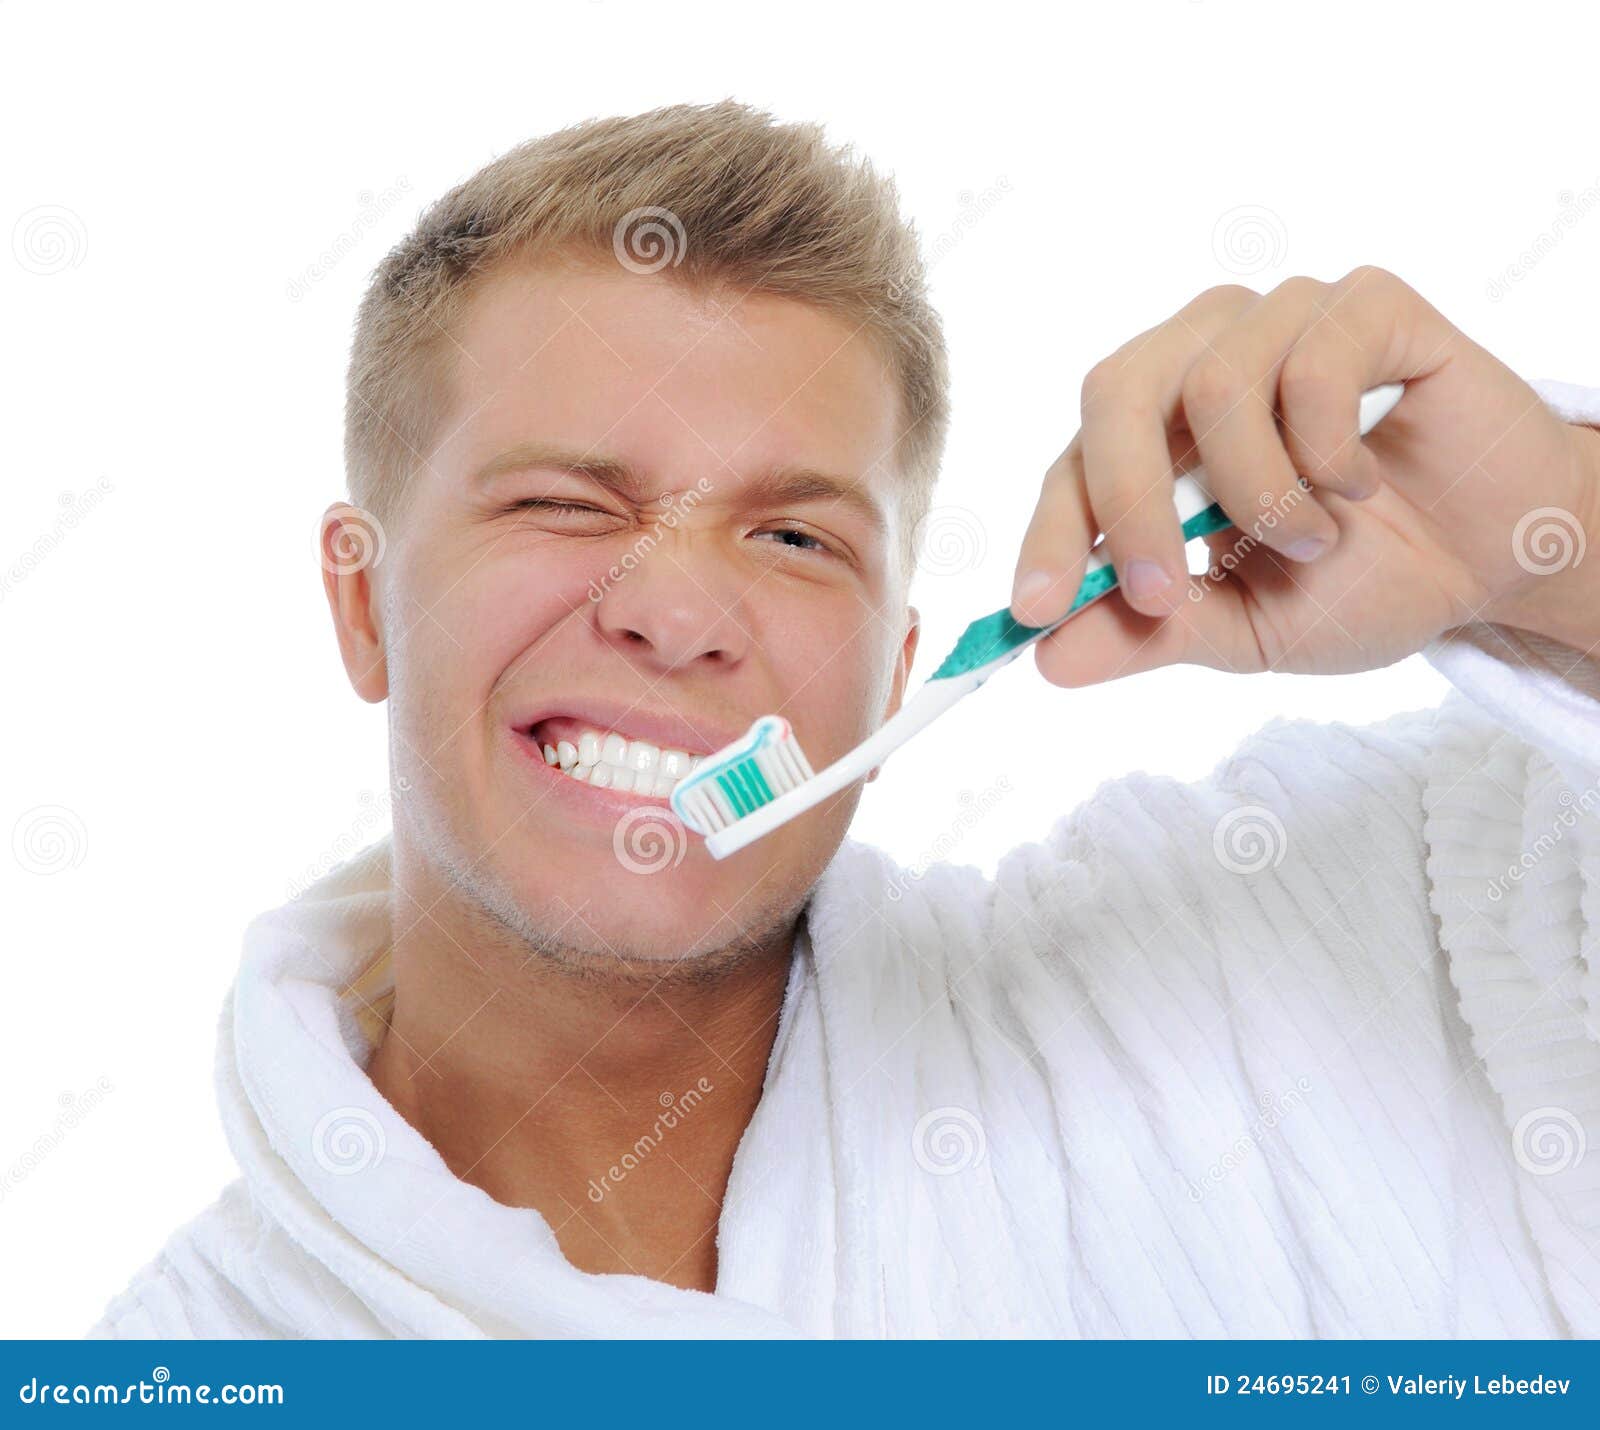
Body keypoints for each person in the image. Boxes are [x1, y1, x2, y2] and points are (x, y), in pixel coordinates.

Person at [90, 100, 1599, 1338]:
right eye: (564, 502)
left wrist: (1545, 540)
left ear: (895, 675)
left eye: (797, 538)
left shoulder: (1268, 976)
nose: (675, 610)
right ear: (362, 605)